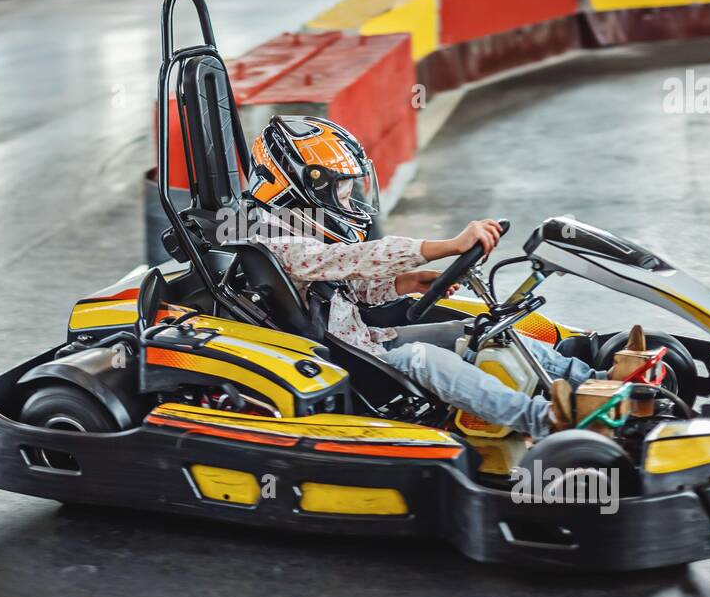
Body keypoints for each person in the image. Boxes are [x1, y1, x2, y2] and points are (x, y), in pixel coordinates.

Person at [245, 116, 632, 438]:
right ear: (296, 186)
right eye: (341, 191)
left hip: (366, 341)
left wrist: (407, 283)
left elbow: (347, 290)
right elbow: (357, 257)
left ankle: (594, 381)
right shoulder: (281, 243)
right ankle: (546, 421)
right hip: (352, 363)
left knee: (478, 331)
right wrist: (447, 245)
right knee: (425, 358)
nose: (349, 202)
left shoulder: (302, 232)